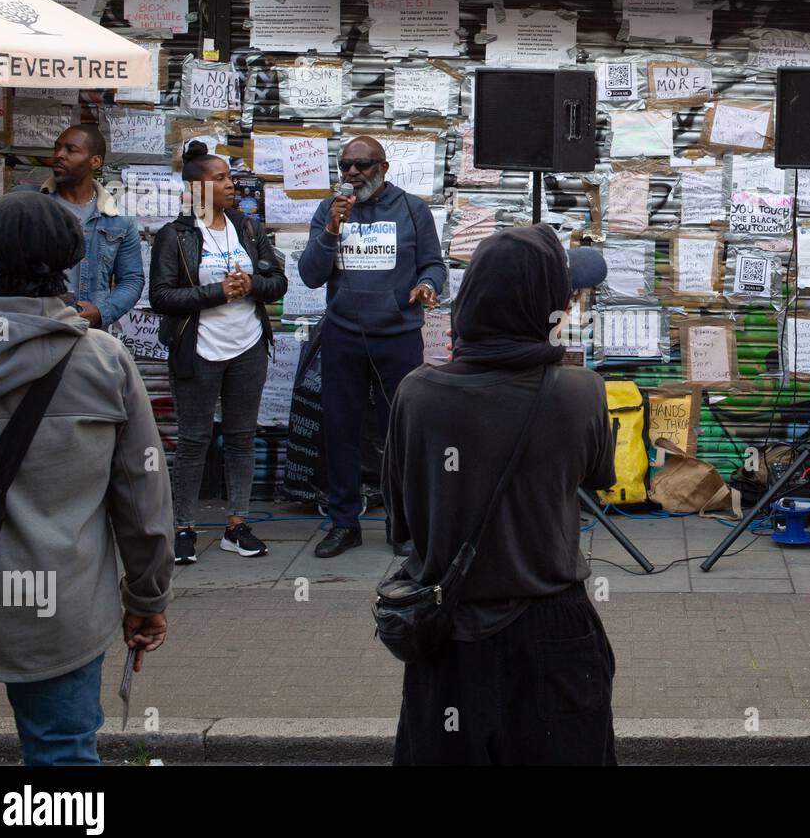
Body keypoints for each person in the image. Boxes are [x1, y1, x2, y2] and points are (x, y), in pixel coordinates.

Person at [0, 192, 173, 765]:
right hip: (60, 611)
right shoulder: (103, 362)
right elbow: (142, 496)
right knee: (62, 763)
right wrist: (147, 598)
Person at [388, 225, 616, 765]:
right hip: (554, 631)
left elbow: (402, 524)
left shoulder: (417, 395)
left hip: (450, 630)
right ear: (550, 305)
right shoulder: (580, 391)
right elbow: (597, 478)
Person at [298, 136, 445, 558]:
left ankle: (402, 525)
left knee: (399, 433)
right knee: (340, 430)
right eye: (345, 166)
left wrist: (427, 284)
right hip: (343, 336)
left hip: (398, 337)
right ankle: (345, 524)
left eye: (361, 165)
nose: (352, 174)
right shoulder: (329, 210)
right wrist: (331, 230)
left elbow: (433, 263)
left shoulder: (412, 210)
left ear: (383, 166)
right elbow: (310, 275)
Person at [149, 142, 288, 565]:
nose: (231, 184)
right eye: (221, 178)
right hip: (199, 349)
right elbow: (161, 296)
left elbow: (278, 282)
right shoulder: (175, 235)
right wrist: (217, 292)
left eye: (229, 177)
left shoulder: (247, 228)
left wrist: (252, 286)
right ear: (196, 188)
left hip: (248, 346)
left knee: (242, 437)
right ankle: (183, 527)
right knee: (194, 440)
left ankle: (237, 524)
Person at [0, 125, 143, 330]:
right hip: (22, 325)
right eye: (57, 148)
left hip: (82, 329)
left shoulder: (119, 219)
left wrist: (102, 312)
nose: (59, 155)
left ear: (95, 161)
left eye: (71, 150)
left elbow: (132, 279)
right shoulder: (24, 201)